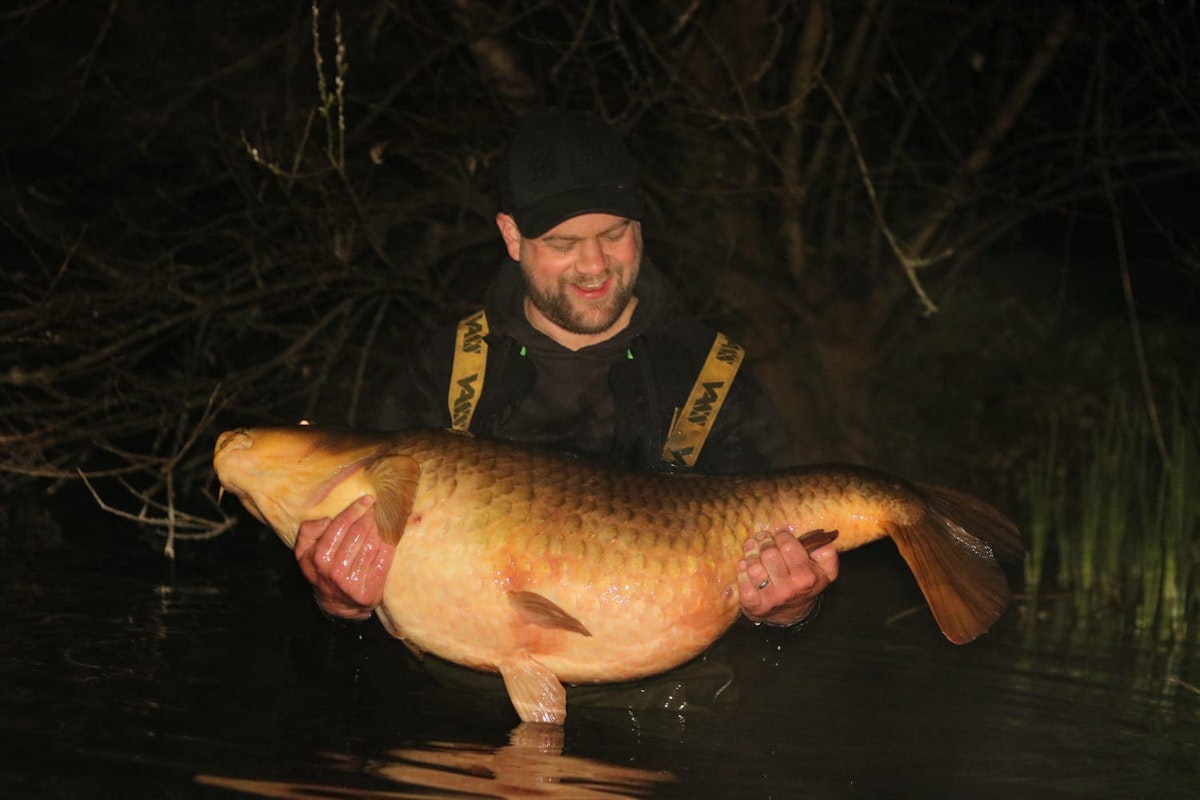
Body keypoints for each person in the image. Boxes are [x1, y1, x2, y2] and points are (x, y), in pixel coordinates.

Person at [294, 108, 838, 639]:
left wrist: (788, 609)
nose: (596, 264)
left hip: (665, 700)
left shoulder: (711, 375)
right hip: (461, 688)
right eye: (563, 243)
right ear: (512, 236)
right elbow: (375, 588)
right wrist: (338, 600)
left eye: (615, 233)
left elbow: (778, 577)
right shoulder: (449, 369)